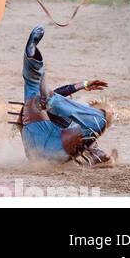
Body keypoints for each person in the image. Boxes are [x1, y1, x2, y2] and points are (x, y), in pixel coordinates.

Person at [14, 26, 114, 167]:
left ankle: (31, 57)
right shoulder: (82, 128)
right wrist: (83, 85)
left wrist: (83, 85)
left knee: (33, 86)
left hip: (36, 139)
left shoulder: (74, 122)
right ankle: (33, 59)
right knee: (104, 117)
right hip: (52, 148)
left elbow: (58, 95)